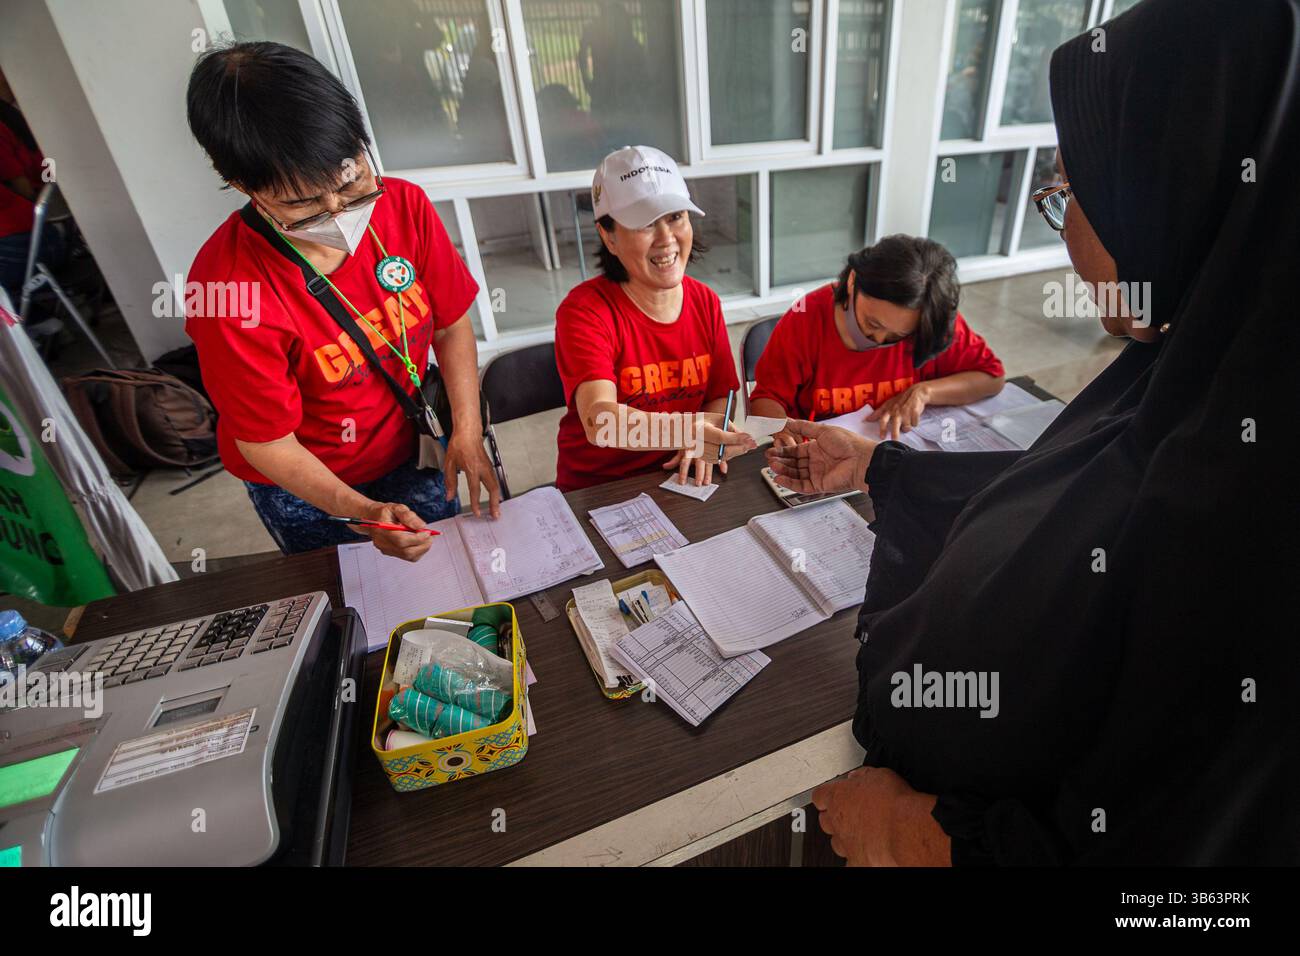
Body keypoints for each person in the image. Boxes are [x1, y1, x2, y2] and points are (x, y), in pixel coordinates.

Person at [766, 0, 1296, 864]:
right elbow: (1070, 502)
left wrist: (915, 841)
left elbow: (1190, 881)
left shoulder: (1261, 504)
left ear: (1166, 193)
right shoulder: (1192, 367)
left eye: (1070, 192)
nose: (1066, 238)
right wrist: (880, 470)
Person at [184, 42, 499, 562]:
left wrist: (467, 428)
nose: (337, 212)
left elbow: (449, 323)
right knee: (355, 605)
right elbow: (268, 443)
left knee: (445, 567)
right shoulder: (229, 292)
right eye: (303, 204)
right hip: (309, 487)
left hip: (410, 444)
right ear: (243, 186)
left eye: (351, 181)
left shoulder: (403, 206)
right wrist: (361, 510)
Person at [553, 145, 755, 492]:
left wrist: (705, 444)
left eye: (676, 217)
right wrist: (687, 429)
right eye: (645, 224)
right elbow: (600, 420)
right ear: (609, 236)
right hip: (599, 488)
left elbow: (721, 396)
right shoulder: (584, 311)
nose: (667, 239)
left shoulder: (704, 301)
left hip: (679, 477)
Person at [749, 235, 1004, 444]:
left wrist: (924, 392)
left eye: (898, 335)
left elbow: (992, 377)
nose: (878, 339)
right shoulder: (806, 318)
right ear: (852, 282)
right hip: (821, 457)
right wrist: (782, 431)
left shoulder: (929, 322)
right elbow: (765, 398)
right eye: (872, 323)